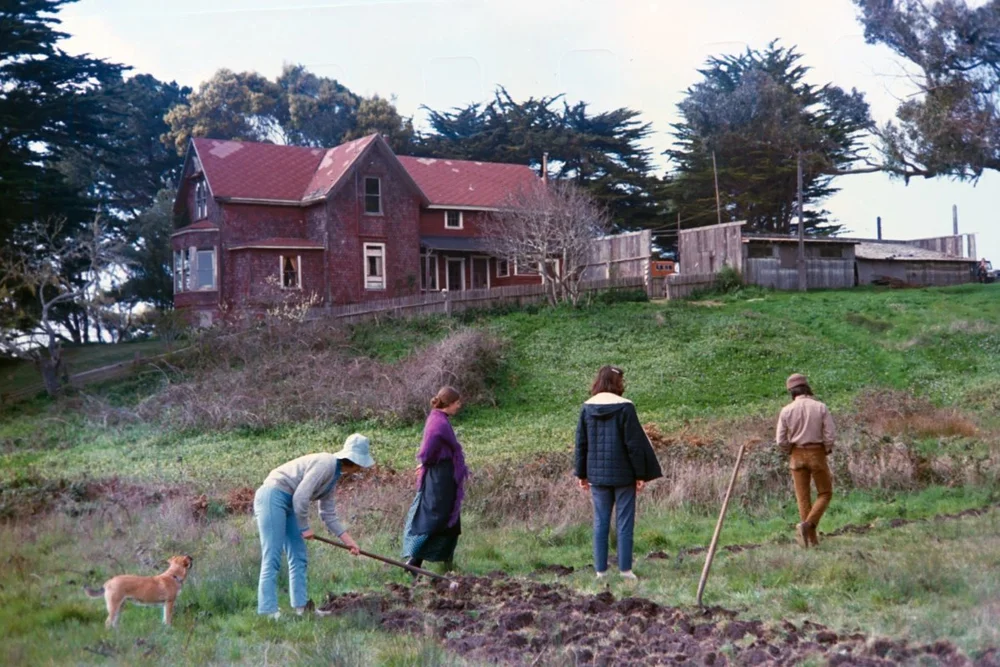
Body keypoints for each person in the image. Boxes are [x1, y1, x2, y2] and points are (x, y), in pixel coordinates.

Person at [253, 434, 375, 618]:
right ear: (355, 461)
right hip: (273, 496)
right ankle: (268, 611)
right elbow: (301, 496)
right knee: (273, 554)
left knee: (299, 555)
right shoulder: (326, 463)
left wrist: (349, 541)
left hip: (289, 503)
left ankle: (302, 609)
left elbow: (327, 514)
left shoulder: (333, 476)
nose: (361, 468)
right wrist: (304, 528)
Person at [574, 365, 662, 581]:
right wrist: (640, 474)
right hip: (624, 476)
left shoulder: (586, 408)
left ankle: (600, 572)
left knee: (600, 522)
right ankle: (625, 571)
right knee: (624, 523)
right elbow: (634, 445)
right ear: (617, 383)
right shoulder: (626, 408)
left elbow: (581, 443)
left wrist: (581, 474)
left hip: (597, 476)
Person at [402, 386, 469, 571]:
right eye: (456, 403)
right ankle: (414, 562)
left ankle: (446, 563)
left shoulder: (439, 419)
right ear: (448, 404)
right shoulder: (437, 423)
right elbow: (427, 450)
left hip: (444, 477)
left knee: (449, 519)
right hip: (439, 479)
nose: (459, 406)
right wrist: (425, 463)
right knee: (434, 518)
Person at [776, 374, 835, 548]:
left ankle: (810, 541)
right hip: (817, 452)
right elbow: (830, 434)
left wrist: (790, 450)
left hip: (796, 455)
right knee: (825, 493)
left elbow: (780, 440)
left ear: (791, 391)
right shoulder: (821, 407)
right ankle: (808, 527)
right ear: (807, 388)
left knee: (803, 498)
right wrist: (826, 448)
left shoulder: (786, 410)